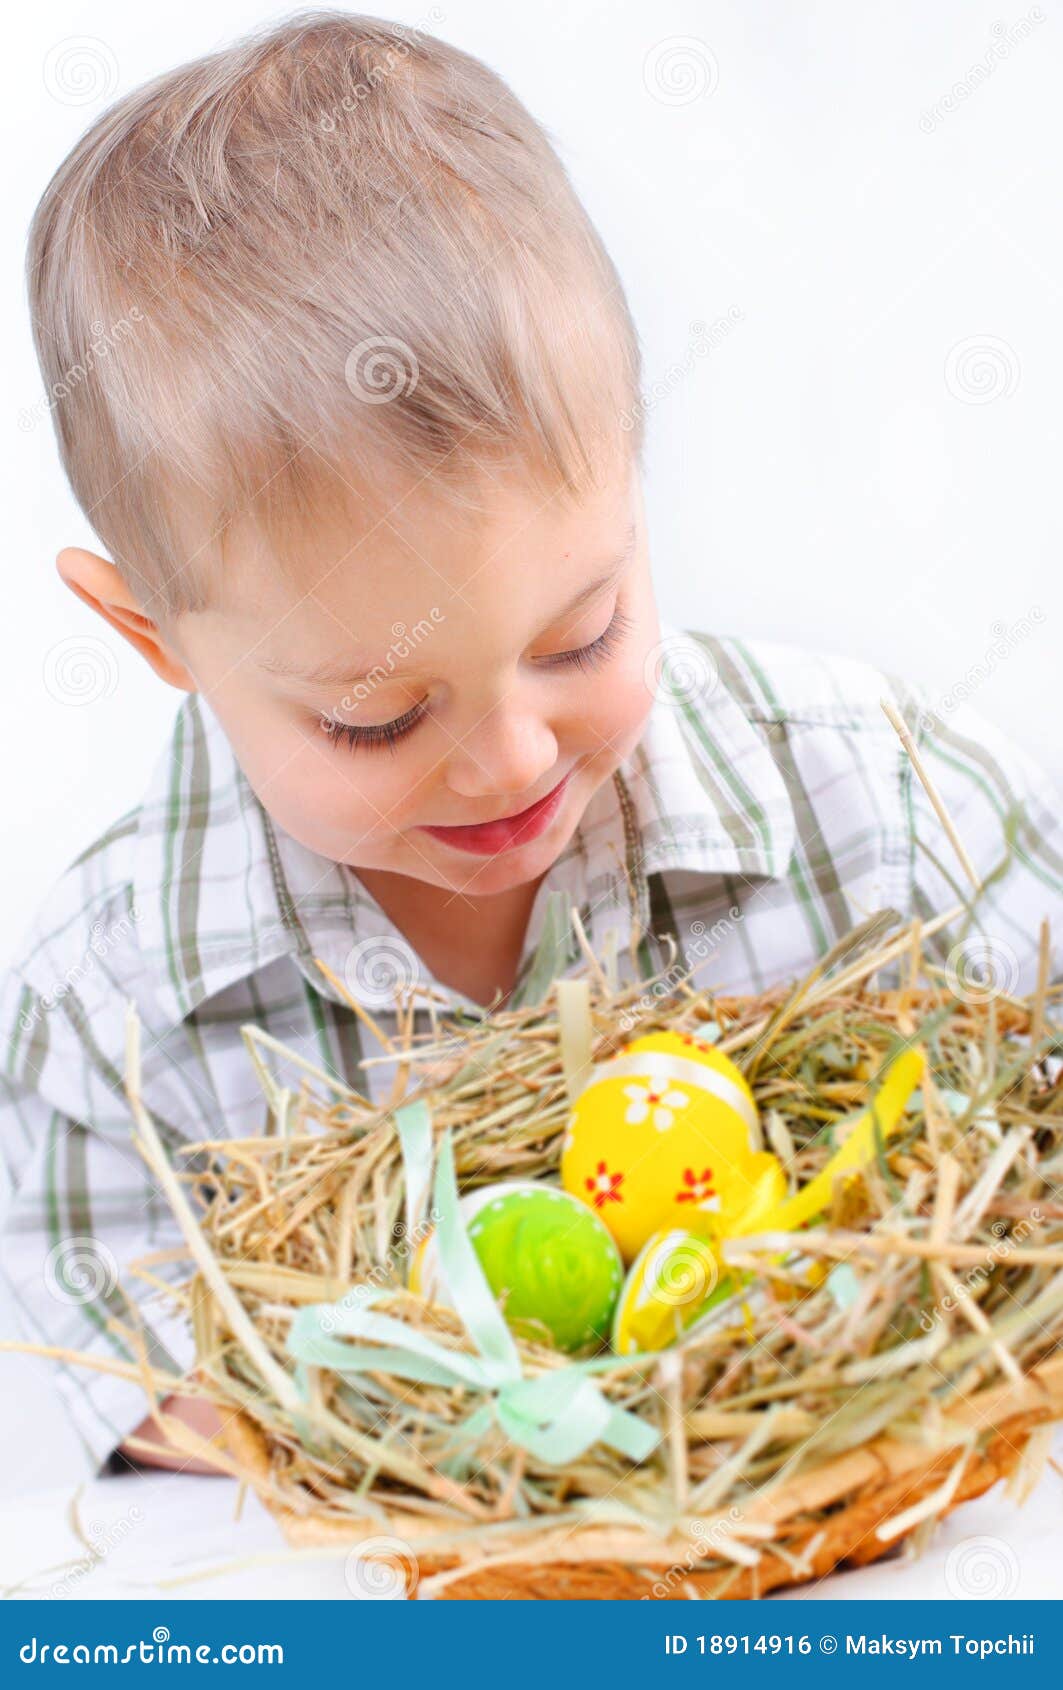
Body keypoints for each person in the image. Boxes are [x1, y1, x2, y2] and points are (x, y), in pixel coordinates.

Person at [3, 12, 1060, 1482]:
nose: (507, 760)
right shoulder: (111, 1004)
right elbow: (104, 1341)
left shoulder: (871, 802)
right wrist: (477, 1437)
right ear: (154, 641)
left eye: (579, 637)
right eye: (375, 715)